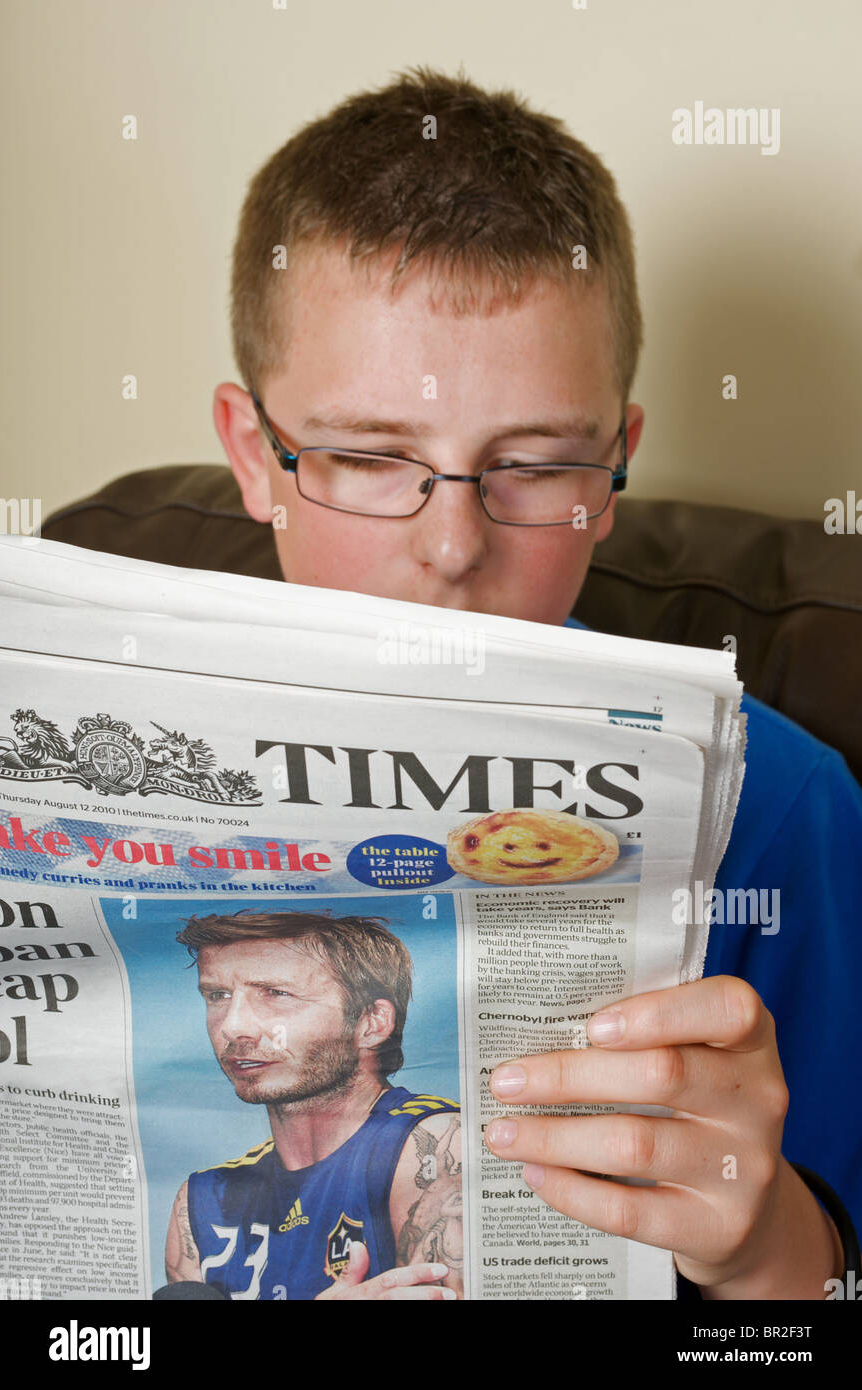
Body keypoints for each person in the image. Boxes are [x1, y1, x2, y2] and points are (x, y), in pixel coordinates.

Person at [211, 66, 862, 1300]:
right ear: (254, 455)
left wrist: (767, 1246)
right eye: (362, 457)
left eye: (534, 463)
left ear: (614, 464)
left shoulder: (781, 804)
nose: (451, 548)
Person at [164, 909, 462, 1300]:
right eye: (218, 995)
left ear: (372, 1022)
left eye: (275, 993)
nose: (232, 1026)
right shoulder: (203, 1199)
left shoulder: (434, 1144)